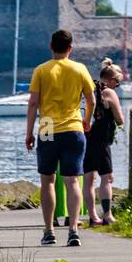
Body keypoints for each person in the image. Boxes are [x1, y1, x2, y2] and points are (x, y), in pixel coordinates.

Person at [24, 29, 94, 247]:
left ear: (50, 46)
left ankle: (49, 230)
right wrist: (87, 120)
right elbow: (91, 100)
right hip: (73, 126)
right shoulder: (79, 69)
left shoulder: (41, 71)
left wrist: (28, 132)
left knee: (47, 181)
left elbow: (33, 103)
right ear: (70, 48)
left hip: (47, 126)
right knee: (72, 180)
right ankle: (73, 229)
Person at [83, 58, 125, 226]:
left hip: (85, 138)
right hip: (101, 140)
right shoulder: (109, 92)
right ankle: (107, 215)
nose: (118, 86)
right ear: (112, 79)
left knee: (88, 178)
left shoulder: (89, 89)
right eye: (118, 82)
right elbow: (120, 120)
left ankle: (93, 217)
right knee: (107, 177)